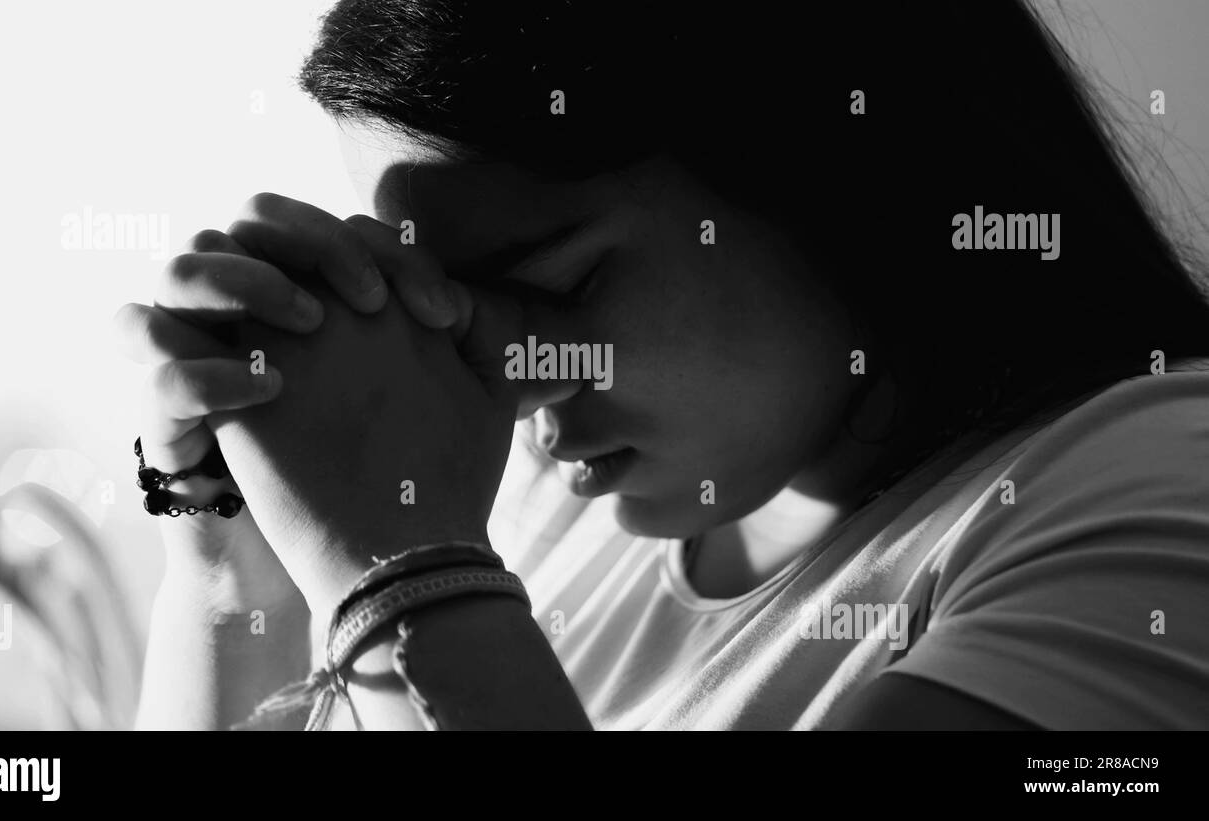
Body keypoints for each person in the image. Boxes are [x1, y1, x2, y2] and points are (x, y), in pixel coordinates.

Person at [119, 1, 1209, 730]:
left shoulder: (1158, 487)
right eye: (444, 307)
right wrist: (231, 563)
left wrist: (406, 571)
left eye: (555, 283)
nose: (503, 375)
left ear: (840, 176)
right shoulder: (564, 513)